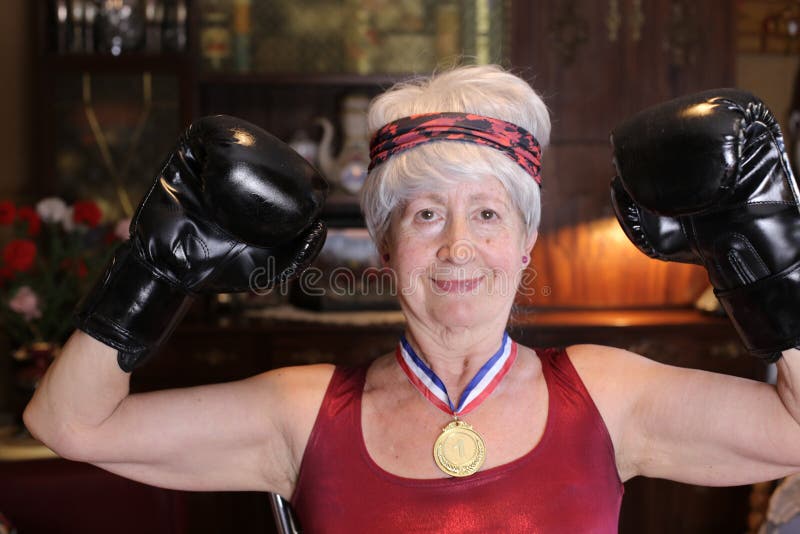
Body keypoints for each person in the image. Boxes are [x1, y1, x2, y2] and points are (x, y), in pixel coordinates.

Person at [22, 64, 800, 533]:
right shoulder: (303, 413)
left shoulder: (607, 394)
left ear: (524, 244)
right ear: (387, 247)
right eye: (426, 215)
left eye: (487, 214)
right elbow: (67, 424)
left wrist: (770, 255)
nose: (458, 246)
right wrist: (155, 269)